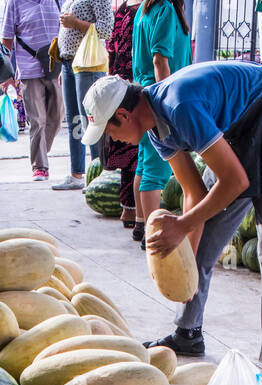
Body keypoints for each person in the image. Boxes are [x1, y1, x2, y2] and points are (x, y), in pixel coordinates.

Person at [81, 63, 262, 381]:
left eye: (111, 133)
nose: (116, 141)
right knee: (201, 240)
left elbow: (234, 181)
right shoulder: (158, 132)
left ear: (123, 115)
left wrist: (182, 225)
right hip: (238, 133)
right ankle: (187, 332)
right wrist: (185, 265)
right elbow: (195, 192)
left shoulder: (180, 105)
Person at [130, 0, 191, 243]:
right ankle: (151, 233)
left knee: (145, 165)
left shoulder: (147, 7)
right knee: (156, 170)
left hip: (145, 92)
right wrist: (165, 105)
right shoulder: (165, 8)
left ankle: (140, 224)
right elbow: (160, 59)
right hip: (159, 97)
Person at [53, 0, 113, 189]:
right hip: (69, 63)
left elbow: (106, 30)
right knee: (75, 121)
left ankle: (99, 176)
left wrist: (76, 23)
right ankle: (77, 174)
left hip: (89, 65)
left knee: (91, 121)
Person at [2, 0, 62, 179]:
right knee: (37, 120)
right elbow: (7, 39)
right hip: (29, 69)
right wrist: (6, 73)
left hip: (57, 68)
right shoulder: (14, 3)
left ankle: (41, 149)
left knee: (57, 117)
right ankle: (40, 165)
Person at [105, 0, 141, 228]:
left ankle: (130, 210)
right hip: (137, 88)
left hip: (120, 85)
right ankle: (138, 215)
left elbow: (111, 50)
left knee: (131, 153)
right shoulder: (148, 10)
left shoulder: (124, 9)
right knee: (139, 154)